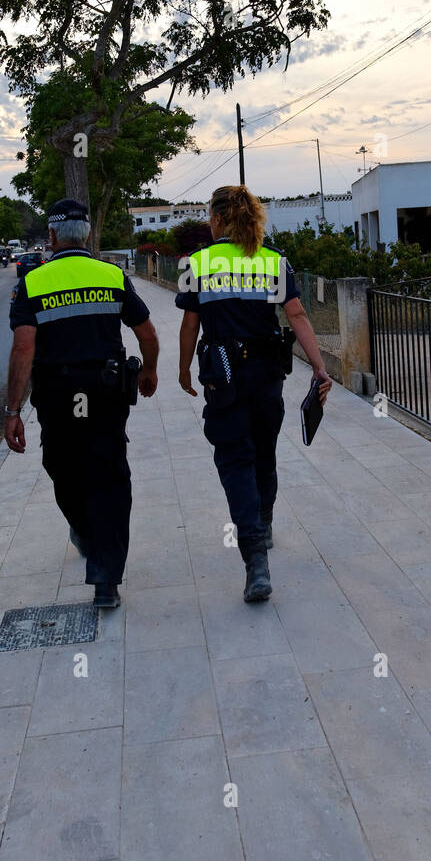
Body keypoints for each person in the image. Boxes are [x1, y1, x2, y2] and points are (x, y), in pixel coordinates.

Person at [176, 184, 332, 603]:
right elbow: (295, 314)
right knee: (263, 451)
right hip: (267, 375)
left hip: (223, 376)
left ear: (219, 220)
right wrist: (319, 367)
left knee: (234, 458)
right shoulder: (274, 261)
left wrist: (183, 368)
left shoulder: (197, 263)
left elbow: (191, 324)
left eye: (211, 217)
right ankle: (263, 520)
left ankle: (255, 560)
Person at [4, 198, 159, 609]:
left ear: (52, 236)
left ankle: (88, 539)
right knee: (109, 477)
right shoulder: (112, 275)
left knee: (64, 471)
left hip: (58, 397)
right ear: (87, 235)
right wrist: (149, 371)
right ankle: (106, 576)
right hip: (106, 392)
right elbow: (147, 334)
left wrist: (13, 411)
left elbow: (23, 350)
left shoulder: (32, 283)